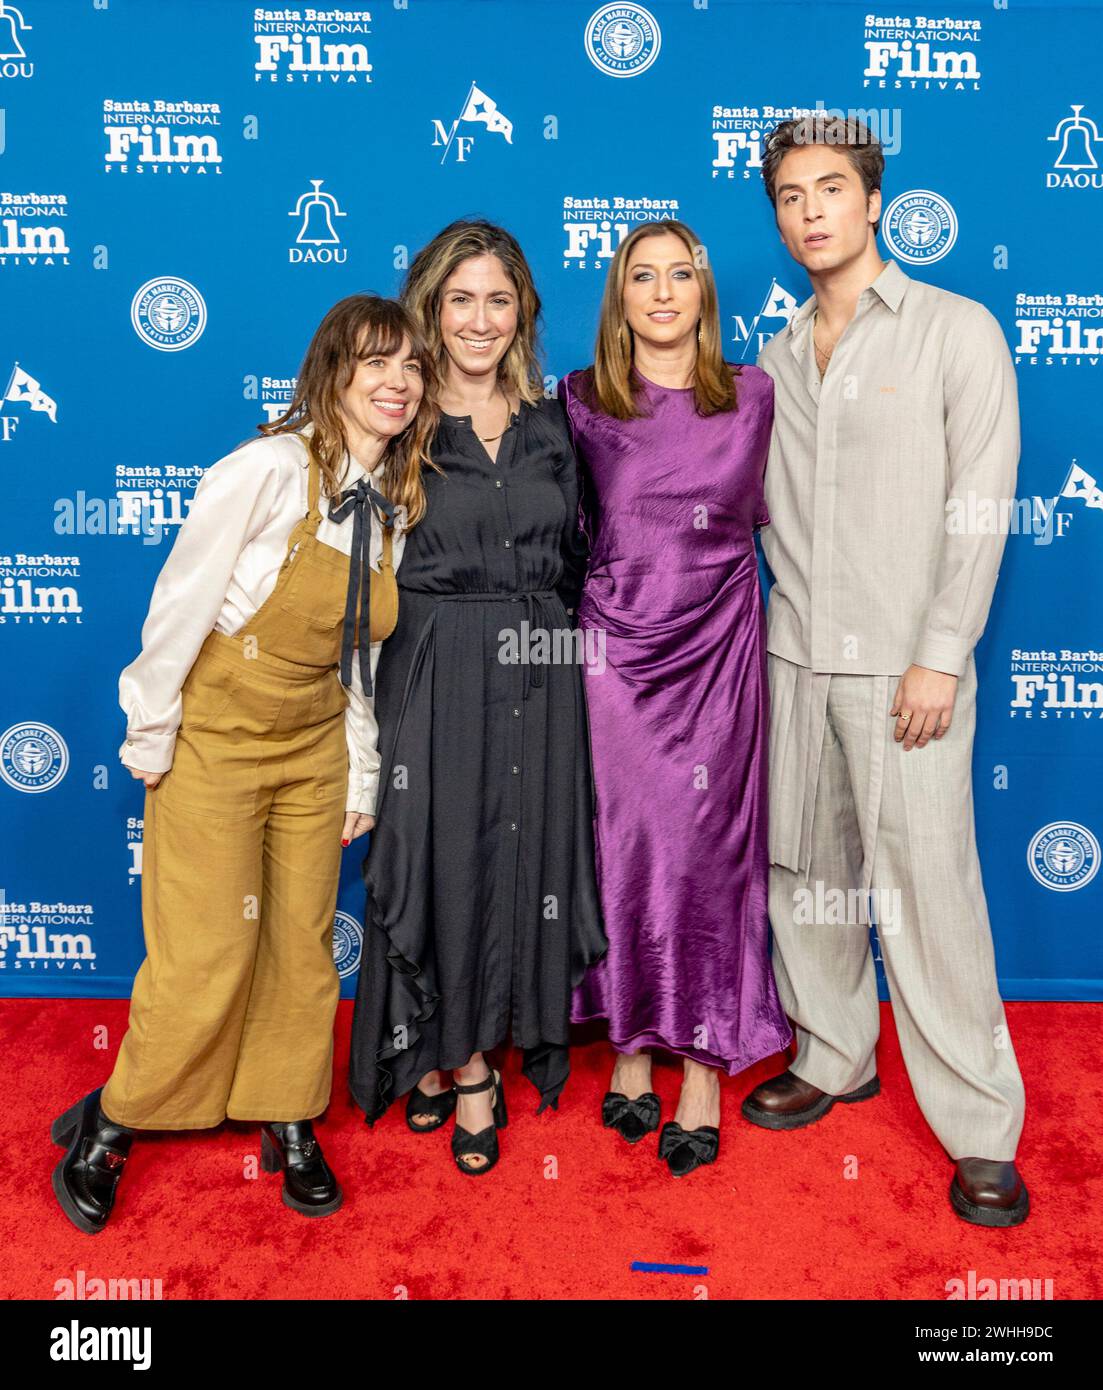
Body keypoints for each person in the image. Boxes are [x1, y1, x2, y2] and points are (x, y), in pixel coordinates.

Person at [50, 295, 437, 1232]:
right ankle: (111, 1121)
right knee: (207, 953)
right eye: (373, 363)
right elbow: (180, 600)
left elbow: (359, 659)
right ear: (332, 374)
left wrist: (357, 765)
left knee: (301, 950)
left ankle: (286, 1116)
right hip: (217, 738)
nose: (396, 383)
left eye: (411, 368)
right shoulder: (264, 469)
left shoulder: (392, 502)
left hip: (310, 748)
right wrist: (149, 729)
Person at [745, 114, 1029, 1227]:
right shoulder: (771, 359)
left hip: (905, 670)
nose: (808, 210)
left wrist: (938, 655)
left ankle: (979, 1126)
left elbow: (979, 508)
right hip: (793, 657)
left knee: (927, 896)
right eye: (787, 195)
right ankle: (833, 1052)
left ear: (872, 201)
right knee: (803, 873)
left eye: (828, 188)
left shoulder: (954, 331)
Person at [348, 219, 606, 1176]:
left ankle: (469, 1056)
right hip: (433, 669)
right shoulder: (395, 418)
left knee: (519, 865)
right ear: (431, 307)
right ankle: (450, 1061)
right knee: (438, 860)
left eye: (499, 299)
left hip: (542, 671)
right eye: (461, 299)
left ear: (523, 312)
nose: (480, 318)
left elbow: (586, 554)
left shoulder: (554, 423)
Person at [559, 220, 793, 1178]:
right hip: (614, 657)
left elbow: (797, 522)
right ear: (620, 295)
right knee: (624, 850)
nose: (662, 292)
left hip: (717, 656)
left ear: (705, 291)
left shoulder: (755, 397)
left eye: (680, 275)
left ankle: (700, 1061)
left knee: (708, 854)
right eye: (641, 276)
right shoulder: (578, 402)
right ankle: (628, 1043)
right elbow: (554, 530)